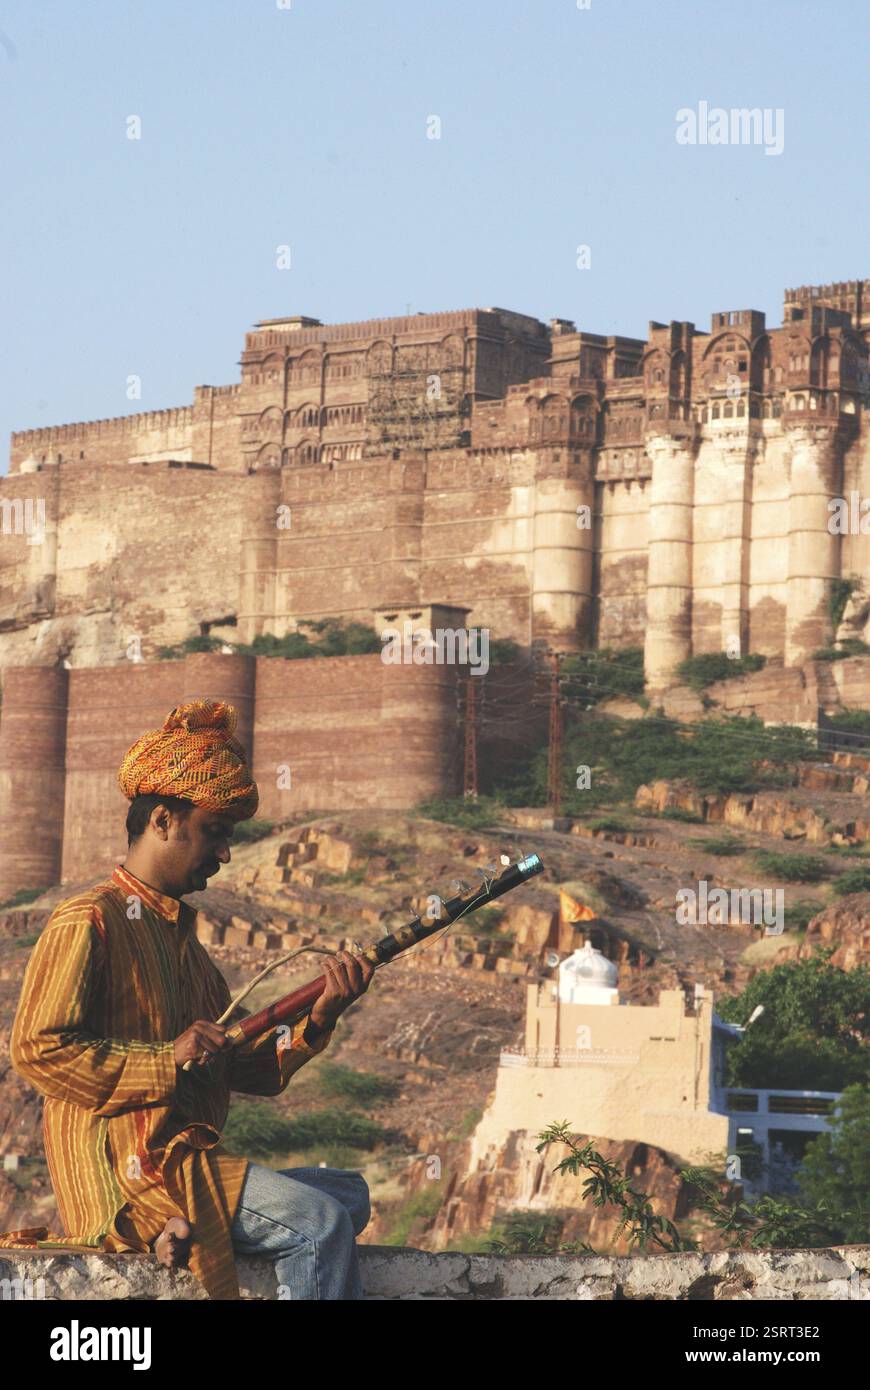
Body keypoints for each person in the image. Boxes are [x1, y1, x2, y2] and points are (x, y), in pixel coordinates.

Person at [0, 698, 375, 1300]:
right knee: (319, 1223)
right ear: (163, 821)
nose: (225, 854)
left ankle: (188, 1228)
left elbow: (239, 1070)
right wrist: (165, 1058)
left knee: (351, 1194)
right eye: (216, 833)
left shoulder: (191, 955)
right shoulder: (87, 920)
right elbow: (36, 1050)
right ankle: (157, 1225)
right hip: (133, 1173)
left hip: (189, 1165)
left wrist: (323, 1014)